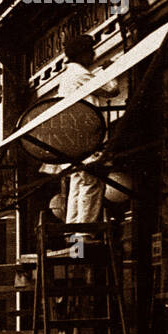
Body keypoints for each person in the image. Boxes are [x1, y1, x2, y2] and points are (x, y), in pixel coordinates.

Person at [55, 34, 121, 232]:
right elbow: (111, 90)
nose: (93, 54)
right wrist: (112, 69)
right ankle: (84, 234)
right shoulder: (80, 74)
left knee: (78, 185)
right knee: (91, 185)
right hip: (86, 141)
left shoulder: (68, 76)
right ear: (82, 54)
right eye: (90, 51)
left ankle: (73, 234)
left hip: (72, 144)